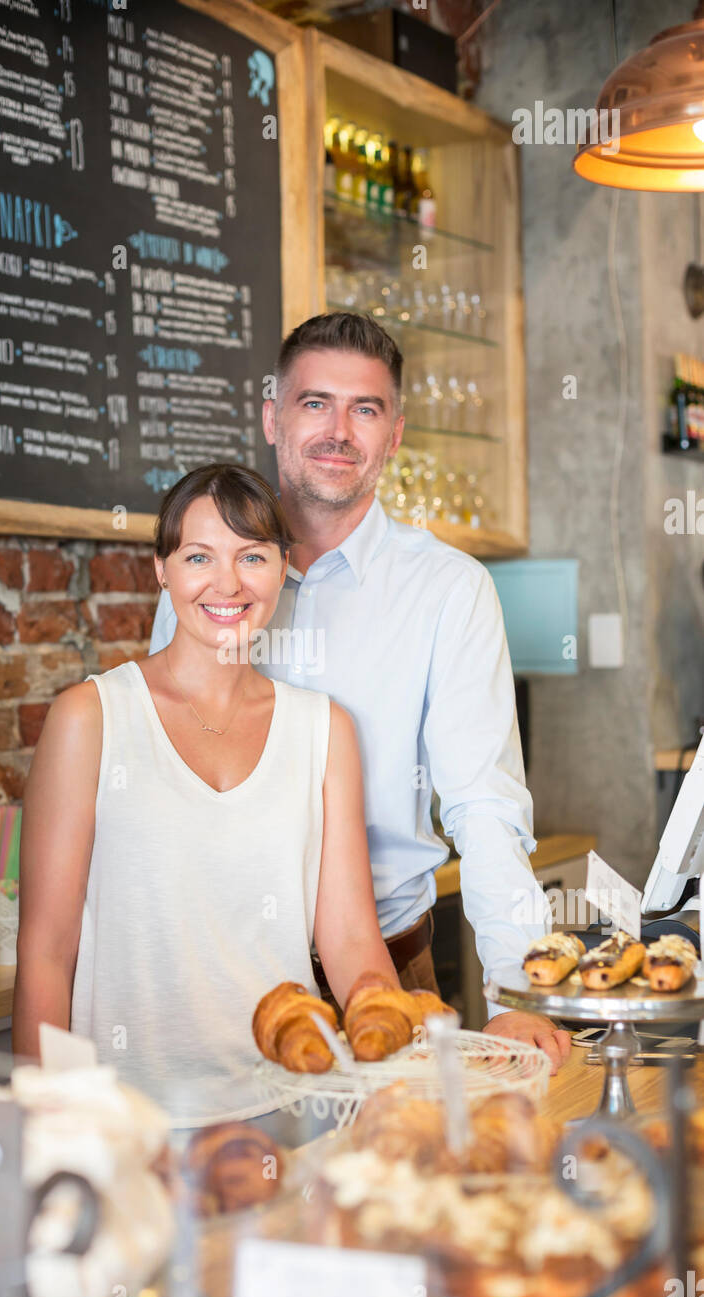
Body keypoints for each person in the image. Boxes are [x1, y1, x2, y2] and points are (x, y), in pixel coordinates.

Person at [150, 312, 571, 1073]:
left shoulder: (450, 590)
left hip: (389, 977)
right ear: (273, 418)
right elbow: (163, 781)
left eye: (365, 409)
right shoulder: (209, 581)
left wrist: (513, 995)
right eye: (315, 403)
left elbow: (486, 807)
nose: (338, 430)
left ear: (394, 434)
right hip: (220, 975)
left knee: (390, 1188)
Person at [13, 462, 400, 1129]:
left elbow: (351, 939)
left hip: (293, 1106)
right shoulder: (91, 717)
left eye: (252, 556)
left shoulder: (324, 730)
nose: (227, 583)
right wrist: (46, 1128)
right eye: (199, 556)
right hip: (127, 1121)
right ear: (162, 569)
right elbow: (46, 951)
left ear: (285, 568)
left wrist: (398, 1082)